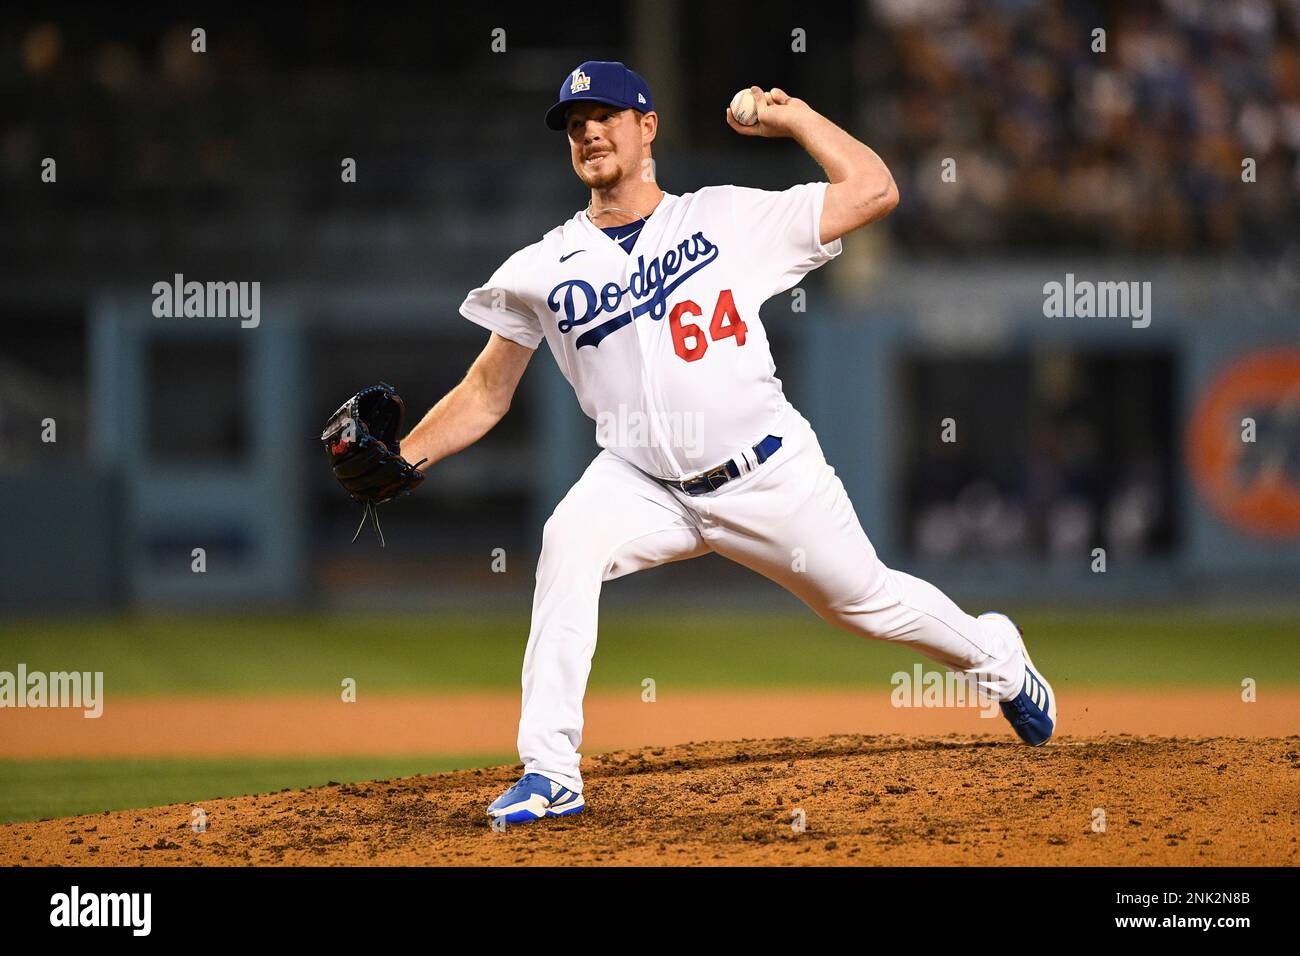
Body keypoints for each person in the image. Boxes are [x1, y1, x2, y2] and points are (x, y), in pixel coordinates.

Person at [398, 61, 1056, 825]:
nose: (588, 131)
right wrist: (407, 455)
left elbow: (875, 188)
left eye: (606, 115)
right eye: (575, 123)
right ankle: (551, 772)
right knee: (566, 544)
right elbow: (485, 392)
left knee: (866, 604)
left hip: (768, 473)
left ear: (647, 128)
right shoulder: (539, 268)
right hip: (640, 480)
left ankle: (1000, 661)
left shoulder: (725, 218)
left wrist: (797, 118)